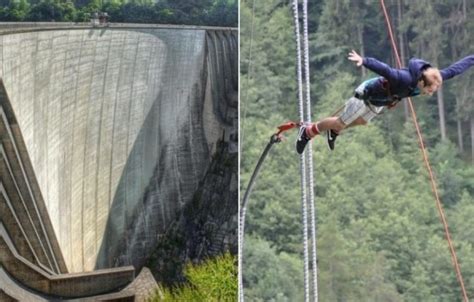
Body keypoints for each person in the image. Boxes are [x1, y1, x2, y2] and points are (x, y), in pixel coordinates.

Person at [296, 50, 474, 154]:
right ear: (422, 82)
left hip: (381, 101)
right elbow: (384, 69)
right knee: (341, 122)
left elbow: (455, 69)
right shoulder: (403, 78)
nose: (430, 93)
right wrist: (363, 61)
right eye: (429, 90)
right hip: (367, 94)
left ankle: (333, 131)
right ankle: (309, 131)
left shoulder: (433, 77)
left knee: (362, 121)